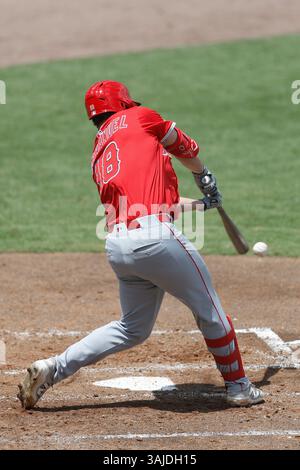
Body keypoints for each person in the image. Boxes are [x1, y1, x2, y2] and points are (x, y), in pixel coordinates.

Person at [17, 80, 264, 409]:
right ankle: (239, 387)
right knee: (211, 310)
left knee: (132, 327)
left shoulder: (100, 149)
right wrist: (203, 174)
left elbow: (163, 202)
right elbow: (186, 147)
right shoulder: (140, 117)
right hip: (155, 239)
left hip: (120, 246)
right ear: (124, 103)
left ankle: (53, 368)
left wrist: (205, 204)